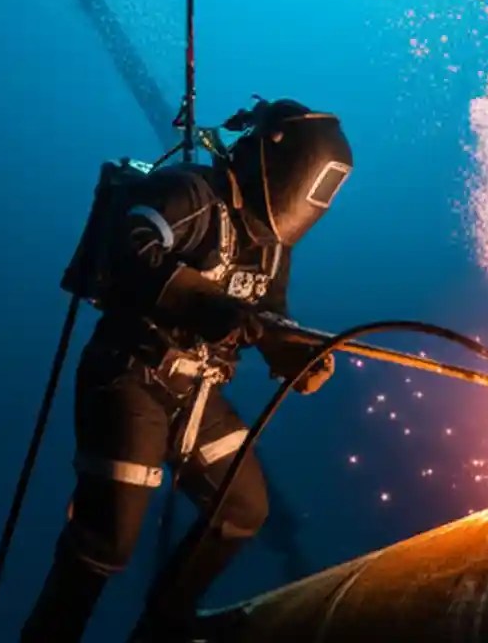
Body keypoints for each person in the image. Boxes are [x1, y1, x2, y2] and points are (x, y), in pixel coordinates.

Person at [21, 98, 354, 642]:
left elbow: (268, 316)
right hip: (132, 375)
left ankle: (164, 621)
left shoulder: (272, 248)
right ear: (285, 162)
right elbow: (132, 244)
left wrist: (293, 354)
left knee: (243, 507)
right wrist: (203, 303)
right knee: (108, 540)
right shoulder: (193, 194)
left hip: (197, 395)